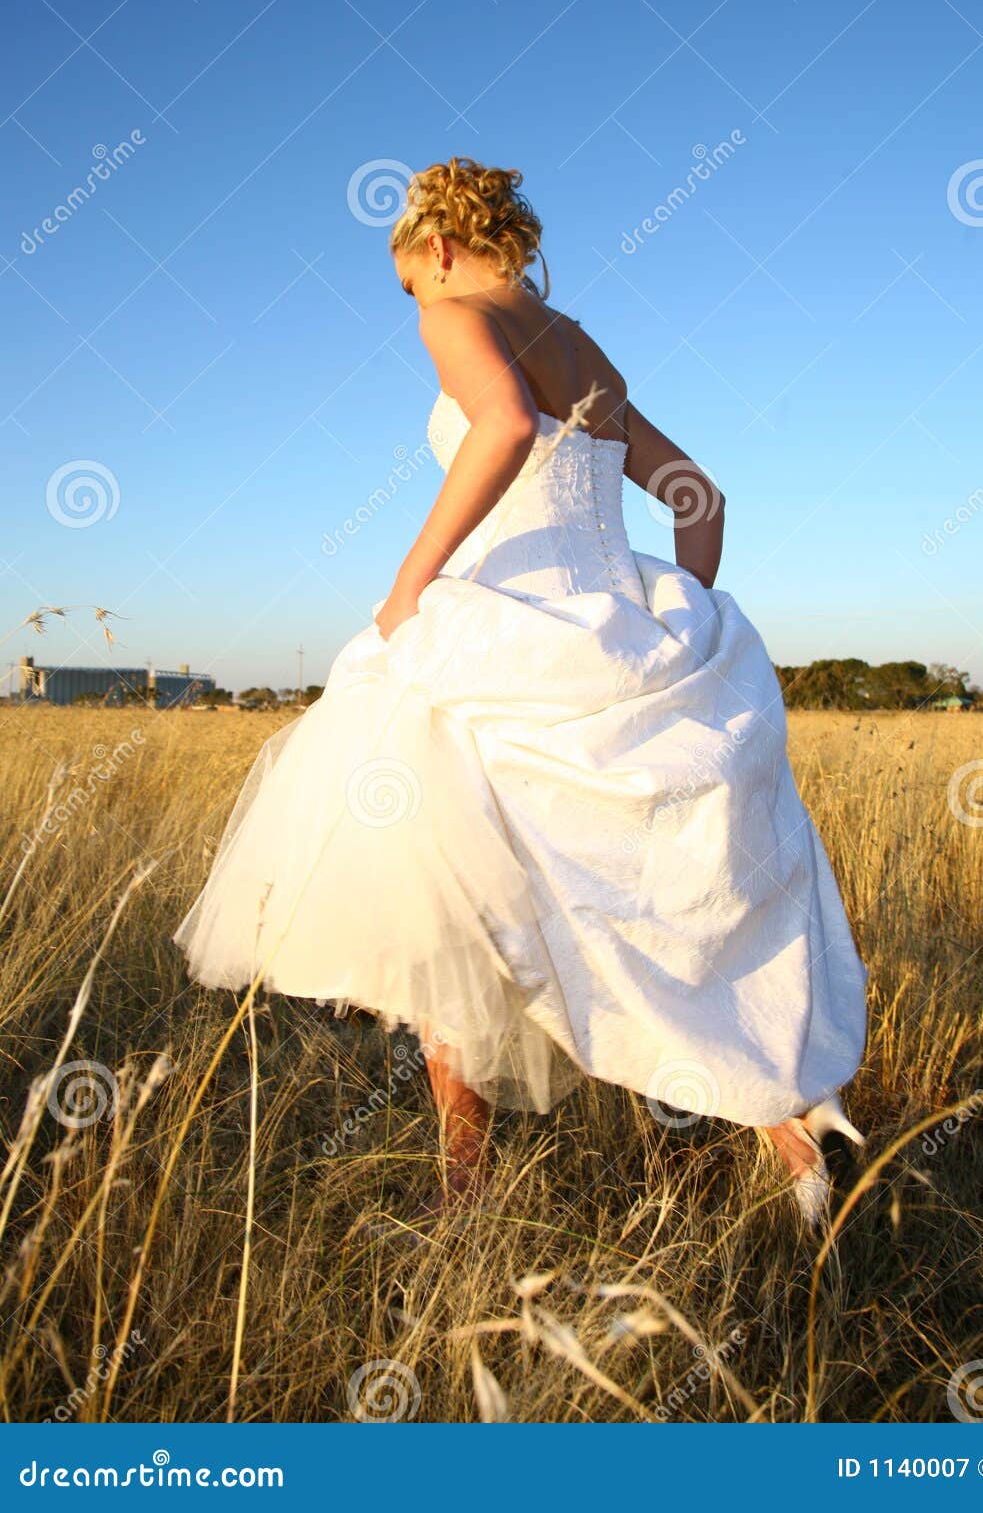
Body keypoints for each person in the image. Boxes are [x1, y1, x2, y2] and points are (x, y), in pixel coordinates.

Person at [175, 157, 867, 1228]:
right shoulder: (580, 345)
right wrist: (674, 620)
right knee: (636, 910)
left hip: (499, 634)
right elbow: (699, 497)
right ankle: (786, 1125)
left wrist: (410, 587)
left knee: (451, 917)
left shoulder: (453, 314)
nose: (412, 304)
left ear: (438, 248)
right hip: (613, 630)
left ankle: (465, 1193)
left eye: (408, 281)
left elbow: (499, 425)